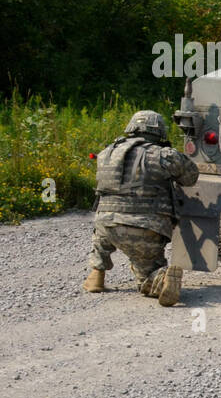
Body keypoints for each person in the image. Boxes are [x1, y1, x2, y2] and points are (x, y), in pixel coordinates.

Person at [84, 110, 200, 306]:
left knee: (103, 227)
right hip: (146, 229)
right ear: (159, 132)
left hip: (106, 226)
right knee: (147, 273)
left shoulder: (107, 152)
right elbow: (191, 177)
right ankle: (160, 280)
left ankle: (97, 275)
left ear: (131, 128)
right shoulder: (164, 155)